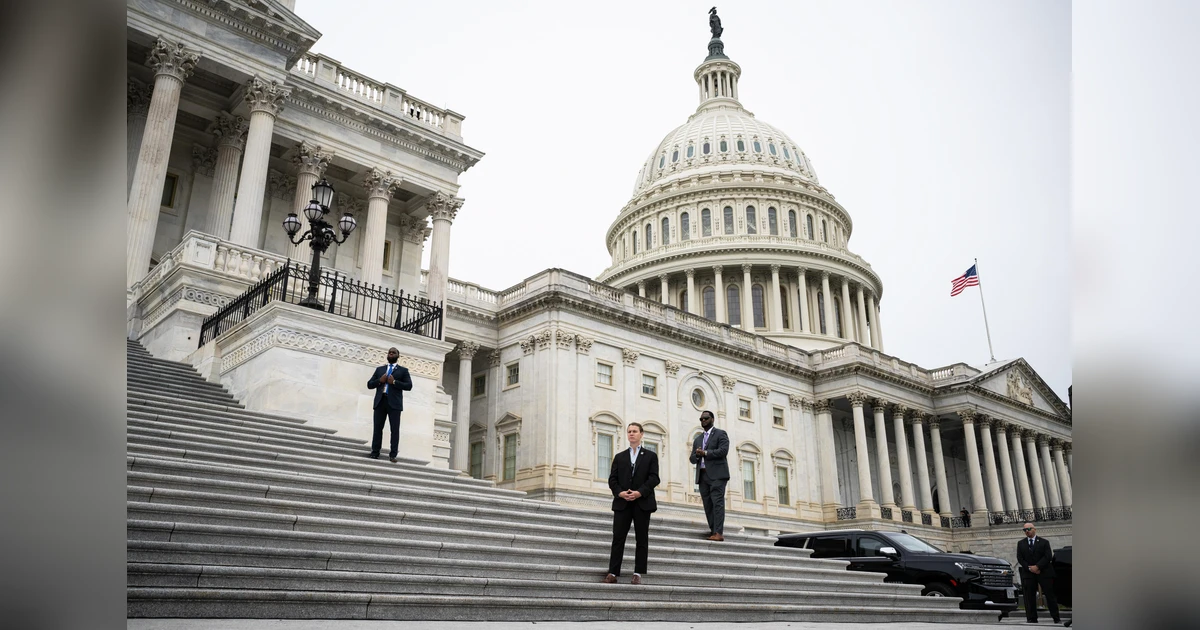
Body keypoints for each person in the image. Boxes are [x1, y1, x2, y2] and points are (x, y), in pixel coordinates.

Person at [603, 423, 659, 585]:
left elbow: (654, 478)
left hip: (642, 502)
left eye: (634, 431)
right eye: (629, 432)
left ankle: (638, 573)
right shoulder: (619, 457)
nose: (631, 434)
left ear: (641, 434)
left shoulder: (650, 456)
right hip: (623, 502)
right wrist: (620, 493)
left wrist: (639, 492)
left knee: (642, 539)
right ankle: (613, 572)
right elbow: (612, 479)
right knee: (618, 538)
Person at [366, 347, 412, 462]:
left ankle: (393, 455)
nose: (391, 354)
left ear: (398, 355)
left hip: (394, 404)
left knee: (394, 429)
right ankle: (375, 452)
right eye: (389, 353)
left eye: (393, 353)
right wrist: (380, 381)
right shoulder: (379, 370)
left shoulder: (403, 371)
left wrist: (395, 382)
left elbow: (409, 386)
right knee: (377, 428)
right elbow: (369, 384)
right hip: (380, 401)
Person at [689, 410, 729, 541]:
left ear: (712, 419)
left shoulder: (720, 434)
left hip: (717, 475)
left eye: (705, 418)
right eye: (701, 419)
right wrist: (697, 454)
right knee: (708, 504)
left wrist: (705, 453)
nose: (703, 421)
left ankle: (719, 532)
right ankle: (713, 531)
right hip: (703, 476)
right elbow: (692, 459)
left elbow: (723, 451)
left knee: (717, 503)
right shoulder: (698, 439)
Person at [1016, 522, 1061, 624]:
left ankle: (1056, 617)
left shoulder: (1044, 542)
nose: (1027, 531)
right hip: (1029, 573)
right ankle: (1032, 618)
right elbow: (1020, 558)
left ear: (1034, 529)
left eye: (1029, 529)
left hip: (1044, 572)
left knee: (1050, 596)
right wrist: (1030, 568)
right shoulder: (1021, 543)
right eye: (1025, 530)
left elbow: (1048, 556)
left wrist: (1038, 566)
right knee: (1029, 597)